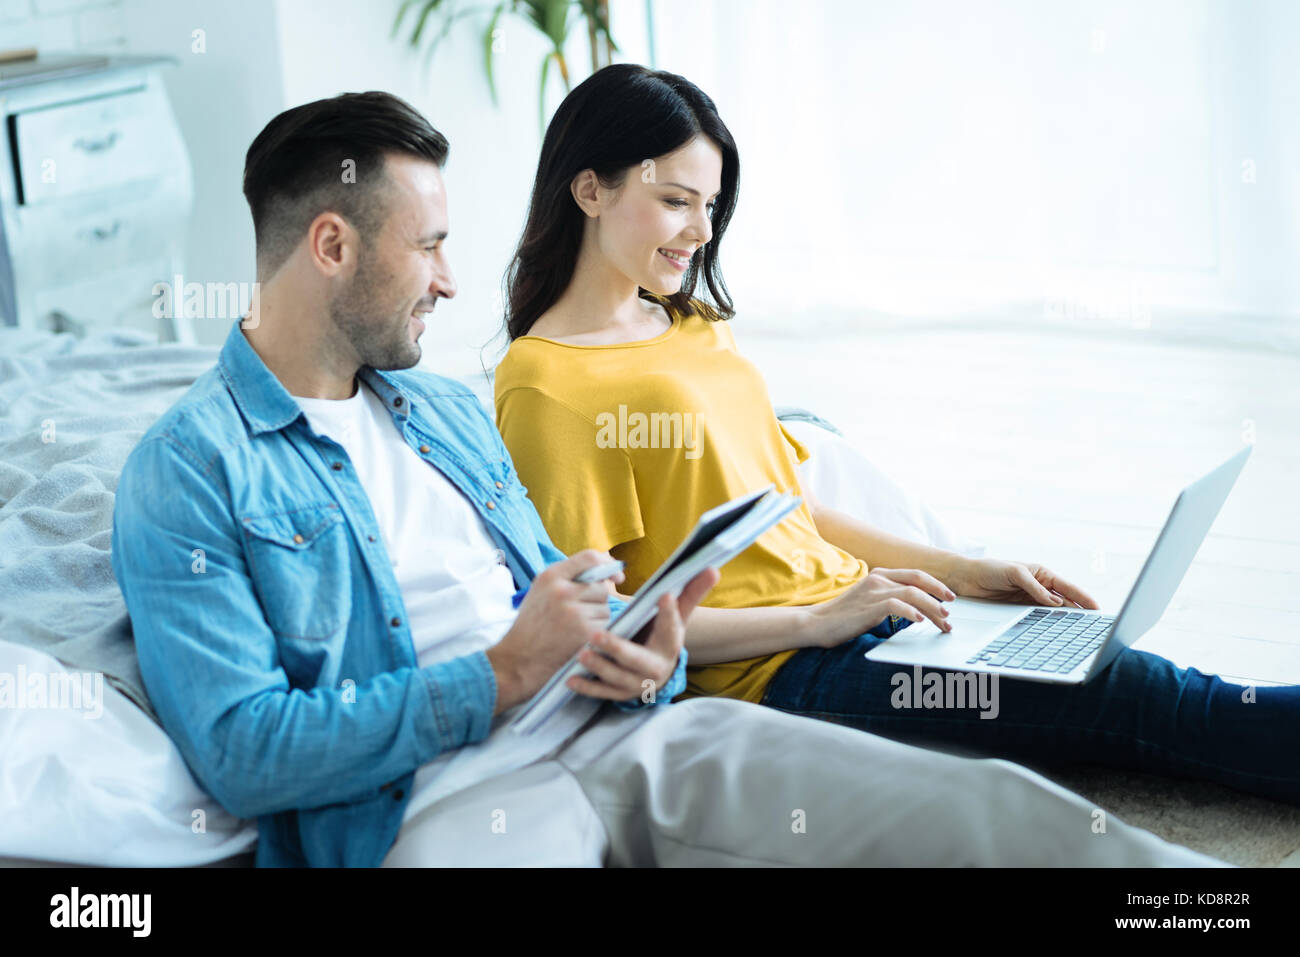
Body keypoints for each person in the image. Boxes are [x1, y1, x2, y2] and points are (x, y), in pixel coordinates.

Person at [111, 90, 1224, 867]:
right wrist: (499, 677)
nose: (454, 283)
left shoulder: (443, 414)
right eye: (431, 246)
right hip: (436, 809)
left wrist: (642, 646)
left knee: (1010, 822)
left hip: (633, 731)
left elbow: (569, 606)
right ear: (333, 248)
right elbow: (247, 754)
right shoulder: (189, 473)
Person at [493, 64, 1300, 809]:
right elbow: (600, 625)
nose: (701, 230)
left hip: (873, 615)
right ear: (590, 189)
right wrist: (815, 622)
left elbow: (783, 501)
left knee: (1126, 668)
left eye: (711, 204)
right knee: (1143, 703)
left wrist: (966, 572)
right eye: (676, 200)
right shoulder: (546, 381)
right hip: (781, 672)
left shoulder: (688, 323)